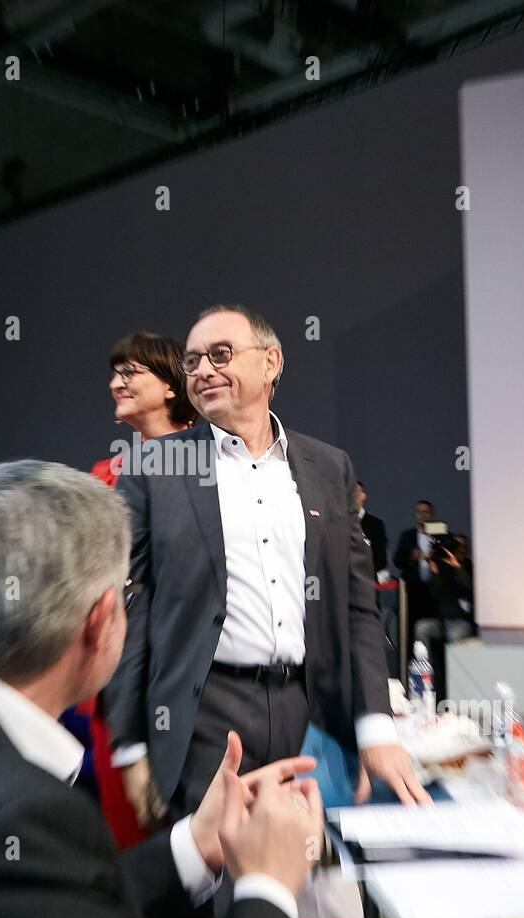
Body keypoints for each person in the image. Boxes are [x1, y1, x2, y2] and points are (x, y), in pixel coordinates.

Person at [0, 461, 322, 918]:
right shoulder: (28, 814)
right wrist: (266, 887)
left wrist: (195, 844)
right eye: (126, 593)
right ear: (100, 620)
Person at [102, 304, 427, 836]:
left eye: (221, 354)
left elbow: (357, 606)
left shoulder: (328, 467)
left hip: (313, 710)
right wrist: (131, 746)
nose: (203, 370)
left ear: (271, 362)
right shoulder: (154, 467)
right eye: (191, 361)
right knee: (218, 885)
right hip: (206, 715)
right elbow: (129, 609)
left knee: (315, 883)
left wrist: (375, 726)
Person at [84, 331, 196, 846]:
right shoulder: (106, 473)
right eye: (114, 372)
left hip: (186, 685)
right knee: (130, 843)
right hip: (114, 681)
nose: (115, 383)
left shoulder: (211, 463)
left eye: (129, 372)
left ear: (171, 385)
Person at [412, 533, 475, 702]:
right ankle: (427, 676)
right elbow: (435, 593)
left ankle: (456, 687)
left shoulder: (467, 567)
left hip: (461, 622)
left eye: (459, 548)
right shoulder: (441, 567)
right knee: (422, 628)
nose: (454, 552)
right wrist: (434, 569)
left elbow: (469, 589)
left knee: (453, 636)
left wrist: (457, 566)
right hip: (442, 620)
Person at [354, 481, 388, 578]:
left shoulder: (375, 524)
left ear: (363, 496)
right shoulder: (338, 523)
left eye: (355, 492)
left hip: (367, 582)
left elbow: (381, 558)